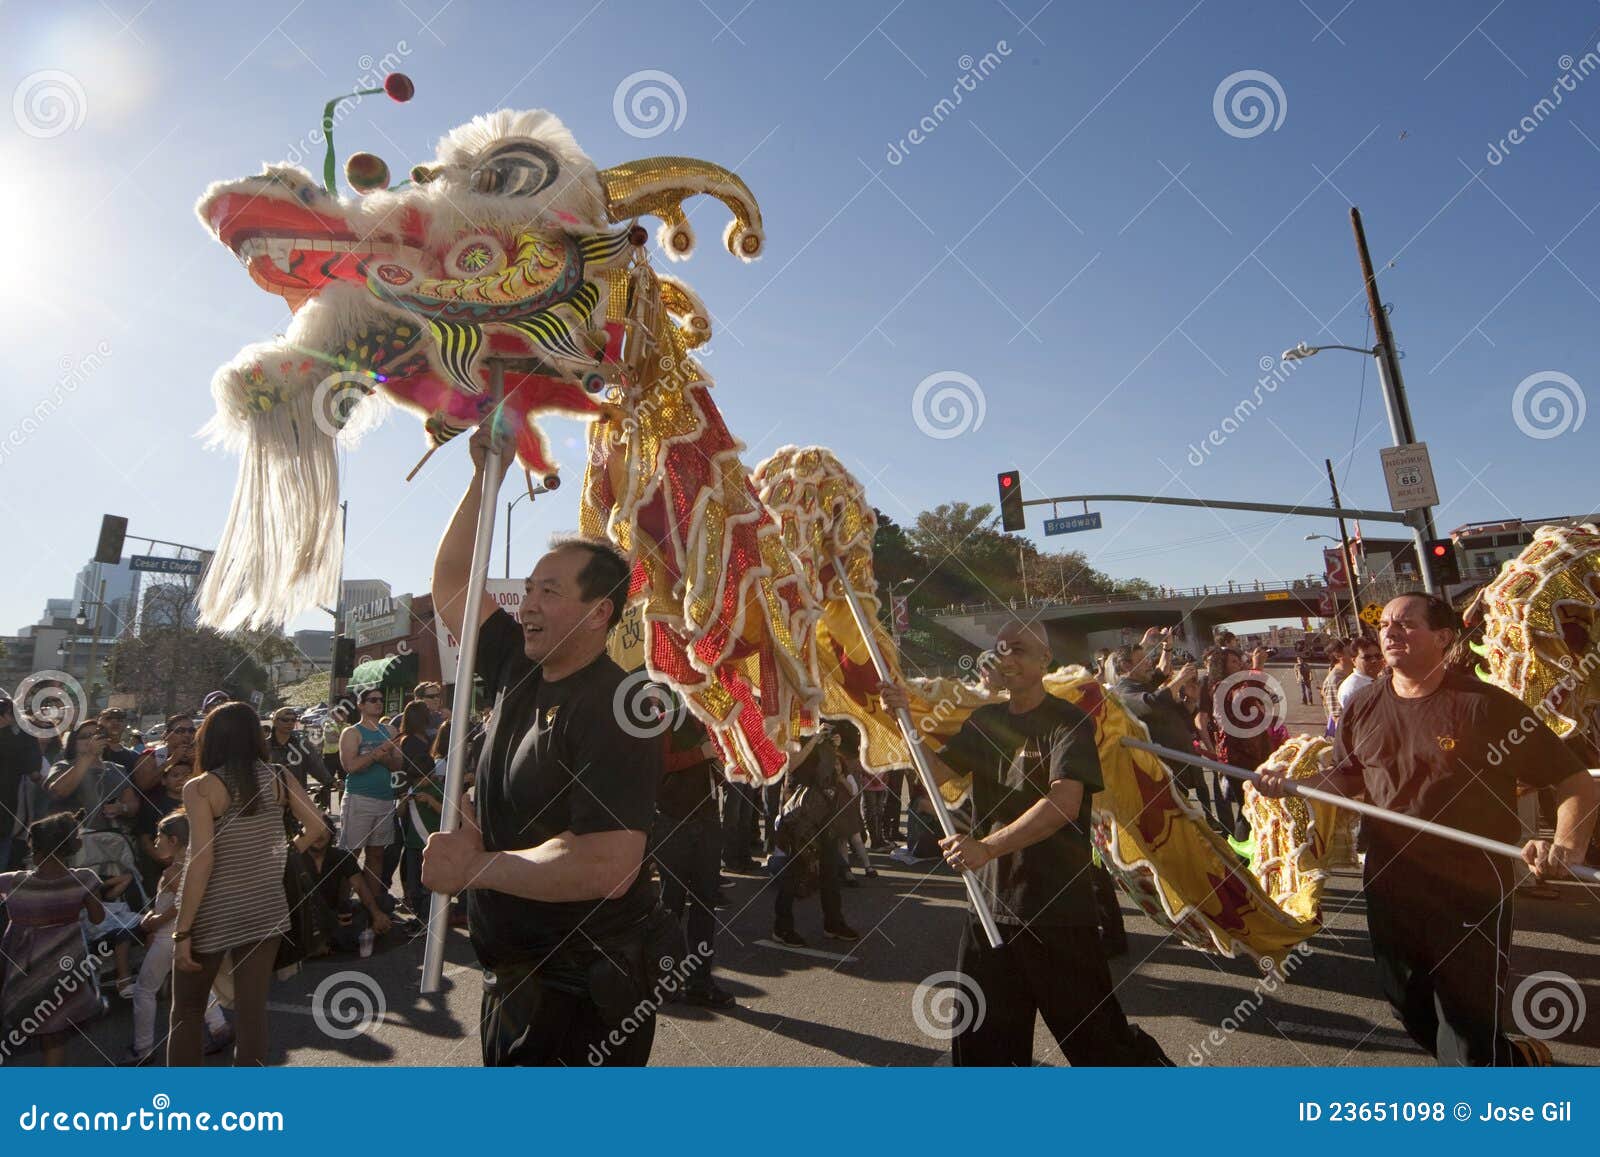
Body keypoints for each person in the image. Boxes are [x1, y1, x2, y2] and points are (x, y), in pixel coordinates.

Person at [1257, 594, 1600, 1066]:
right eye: (1387, 625)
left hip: (1471, 885)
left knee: (1466, 1022)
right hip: (1389, 876)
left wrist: (1566, 844)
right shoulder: (1363, 705)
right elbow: (1351, 775)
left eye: (1407, 624)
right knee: (1408, 1004)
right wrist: (1295, 786)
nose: (1391, 632)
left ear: (1443, 638)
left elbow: (1575, 781)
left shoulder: (1485, 707)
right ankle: (1517, 1065)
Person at [424, 423, 667, 1067]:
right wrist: (485, 476)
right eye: (529, 587)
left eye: (549, 592)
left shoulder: (621, 707)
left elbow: (607, 864)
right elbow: (452, 584)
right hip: (514, 982)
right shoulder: (517, 663)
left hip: (583, 994)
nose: (527, 602)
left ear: (599, 614)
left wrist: (474, 870)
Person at [880, 622, 1171, 1067]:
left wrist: (986, 848)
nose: (1008, 658)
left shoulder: (1068, 722)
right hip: (989, 906)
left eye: (1020, 650)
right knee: (981, 1047)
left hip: (1055, 912)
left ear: (1043, 662)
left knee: (1100, 1046)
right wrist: (902, 726)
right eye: (1002, 649)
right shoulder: (986, 721)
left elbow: (1064, 804)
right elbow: (938, 778)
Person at [168, 702, 328, 1066]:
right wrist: (282, 855)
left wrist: (182, 931)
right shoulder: (279, 776)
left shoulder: (201, 787)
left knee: (187, 1012)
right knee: (253, 1011)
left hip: (213, 910)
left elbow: (202, 859)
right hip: (266, 906)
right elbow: (319, 828)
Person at [652, 685, 737, 1008]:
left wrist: (722, 767)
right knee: (671, 906)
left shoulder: (709, 726)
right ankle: (664, 980)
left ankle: (700, 981)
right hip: (672, 822)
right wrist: (699, 755)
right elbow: (658, 767)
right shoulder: (664, 721)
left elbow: (717, 770)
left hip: (705, 821)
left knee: (704, 906)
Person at [123, 809, 230, 1065]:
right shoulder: (197, 865)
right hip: (185, 935)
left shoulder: (173, 872)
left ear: (173, 841)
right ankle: (219, 1027)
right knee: (195, 986)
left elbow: (183, 902)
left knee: (144, 990)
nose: (155, 842)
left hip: (167, 937)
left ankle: (143, 1047)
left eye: (159, 837)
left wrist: (155, 921)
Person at [0, 813, 107, 1065]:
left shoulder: (11, 882)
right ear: (73, 846)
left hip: (20, 966)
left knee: (32, 1024)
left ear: (33, 846)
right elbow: (98, 918)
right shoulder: (85, 879)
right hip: (65, 967)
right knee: (55, 1034)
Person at [770, 728, 859, 946]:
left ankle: (833, 922)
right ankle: (782, 927)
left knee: (830, 870)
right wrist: (814, 741)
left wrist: (832, 744)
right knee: (794, 871)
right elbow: (790, 764)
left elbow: (830, 770)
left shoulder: (820, 727)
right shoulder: (792, 725)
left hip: (824, 811)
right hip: (800, 813)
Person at [289, 821, 393, 955]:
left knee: (386, 902)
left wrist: (376, 914)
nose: (319, 835)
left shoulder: (341, 856)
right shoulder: (294, 859)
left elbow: (360, 887)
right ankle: (321, 943)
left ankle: (329, 942)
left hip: (335, 916)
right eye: (313, 829)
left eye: (324, 829)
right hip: (306, 920)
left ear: (331, 832)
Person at [338, 688, 403, 903]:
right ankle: (341, 903)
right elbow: (350, 766)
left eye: (381, 699)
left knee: (377, 854)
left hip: (385, 799)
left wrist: (384, 758)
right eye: (373, 700)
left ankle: (372, 905)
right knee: (351, 854)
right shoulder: (352, 733)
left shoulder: (391, 731)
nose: (378, 703)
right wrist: (376, 754)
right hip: (359, 798)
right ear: (361, 705)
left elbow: (398, 764)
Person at [43, 719, 137, 832]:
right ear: (73, 742)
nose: (91, 739)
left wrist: (122, 808)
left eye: (96, 735)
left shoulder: (117, 769)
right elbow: (58, 792)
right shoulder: (63, 766)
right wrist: (90, 754)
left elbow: (133, 804)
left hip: (109, 839)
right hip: (74, 839)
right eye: (85, 736)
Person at [266, 707, 333, 810]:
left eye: (293, 720)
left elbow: (316, 767)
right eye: (285, 720)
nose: (290, 723)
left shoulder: (303, 746)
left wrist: (332, 781)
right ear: (274, 721)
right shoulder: (262, 747)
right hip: (269, 802)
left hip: (296, 800)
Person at [1337, 636, 1384, 713]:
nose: (1374, 661)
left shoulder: (1379, 680)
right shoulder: (1353, 688)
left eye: (1378, 656)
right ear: (1354, 661)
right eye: (1367, 658)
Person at [1321, 642, 1352, 738]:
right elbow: (1337, 716)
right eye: (1351, 651)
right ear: (1338, 655)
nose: (1355, 653)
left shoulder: (1351, 674)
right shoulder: (1335, 679)